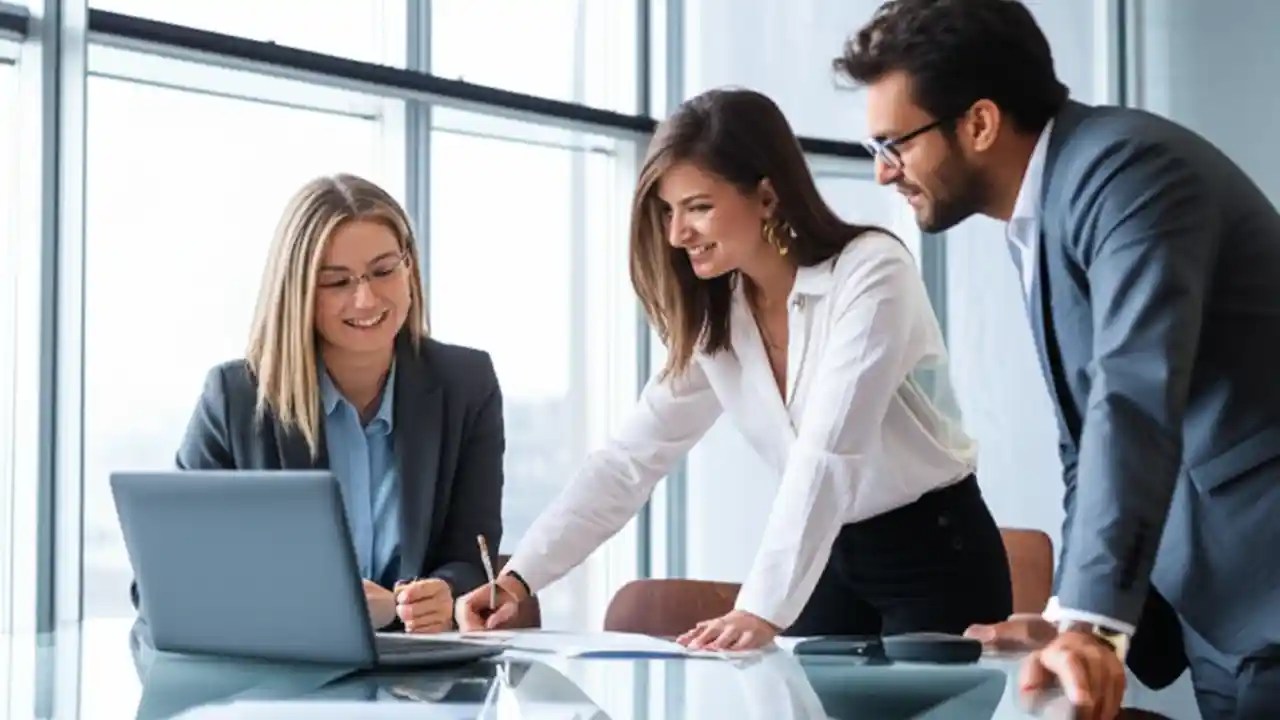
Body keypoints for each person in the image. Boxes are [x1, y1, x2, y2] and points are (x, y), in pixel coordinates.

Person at [834, 1, 1280, 718]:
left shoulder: (1128, 170)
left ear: (978, 123)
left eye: (894, 145)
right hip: (1221, 612)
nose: (885, 174)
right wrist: (1065, 612)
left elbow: (1133, 399)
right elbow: (1087, 443)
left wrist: (1093, 624)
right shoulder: (1048, 210)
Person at [456, 88, 1012, 650]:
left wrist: (759, 609)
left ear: (767, 197)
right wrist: (518, 579)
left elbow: (829, 451)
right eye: (668, 211)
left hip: (935, 556)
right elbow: (629, 461)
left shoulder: (871, 272)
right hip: (826, 556)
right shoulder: (721, 316)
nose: (676, 234)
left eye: (698, 207)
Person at [154, 174, 505, 635]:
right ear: (297, 293)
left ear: (410, 269)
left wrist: (441, 592)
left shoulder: (465, 383)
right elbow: (166, 581)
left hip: (421, 682)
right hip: (277, 676)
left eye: (383, 271)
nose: (366, 299)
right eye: (337, 282)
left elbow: (472, 553)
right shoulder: (235, 398)